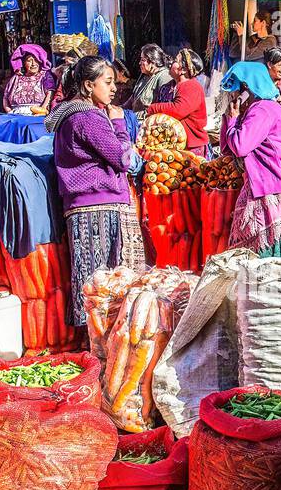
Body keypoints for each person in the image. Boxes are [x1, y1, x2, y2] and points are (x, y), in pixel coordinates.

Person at [48, 55, 144, 325]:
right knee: (102, 285)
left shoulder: (74, 115)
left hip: (87, 205)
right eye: (108, 82)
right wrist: (119, 124)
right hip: (99, 205)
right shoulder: (88, 117)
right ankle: (96, 347)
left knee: (94, 281)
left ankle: (94, 344)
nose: (115, 89)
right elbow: (123, 159)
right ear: (89, 86)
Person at [219, 61, 281, 258]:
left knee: (265, 258)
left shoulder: (263, 109)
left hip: (273, 190)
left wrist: (235, 119)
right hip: (267, 187)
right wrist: (230, 119)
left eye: (239, 90)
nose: (234, 96)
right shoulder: (259, 109)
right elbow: (227, 149)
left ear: (249, 88)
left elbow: (240, 146)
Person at [146, 48, 208, 156]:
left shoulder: (192, 86)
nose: (171, 63)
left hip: (190, 147)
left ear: (183, 70)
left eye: (175, 60)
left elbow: (178, 109)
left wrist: (153, 108)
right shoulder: (169, 86)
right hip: (171, 144)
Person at [2, 43, 56, 114]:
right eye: (29, 60)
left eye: (36, 60)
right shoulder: (16, 77)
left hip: (37, 115)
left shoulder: (45, 76)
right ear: (24, 63)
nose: (33, 64)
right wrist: (9, 111)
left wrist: (43, 109)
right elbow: (5, 96)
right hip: (15, 115)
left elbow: (50, 93)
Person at [125, 44, 172, 114]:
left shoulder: (164, 76)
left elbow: (163, 106)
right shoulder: (144, 77)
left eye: (143, 60)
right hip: (135, 118)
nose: (139, 63)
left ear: (153, 62)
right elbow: (131, 102)